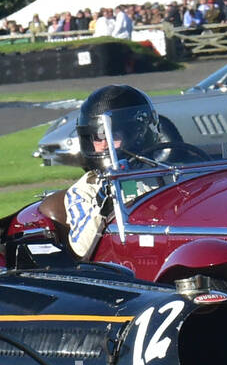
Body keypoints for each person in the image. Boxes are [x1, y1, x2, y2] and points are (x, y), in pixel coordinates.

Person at [41, 85, 166, 260]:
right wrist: (104, 201)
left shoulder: (167, 174)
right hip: (121, 266)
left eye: (113, 135)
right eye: (99, 137)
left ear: (137, 135)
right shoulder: (85, 190)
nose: (105, 144)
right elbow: (81, 249)